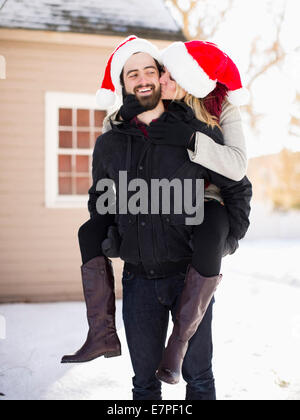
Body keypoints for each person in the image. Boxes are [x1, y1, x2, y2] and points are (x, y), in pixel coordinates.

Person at [62, 36, 252, 401]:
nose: (146, 78)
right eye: (133, 73)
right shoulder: (112, 136)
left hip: (188, 270)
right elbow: (102, 197)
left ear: (166, 79)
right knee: (143, 384)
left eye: (152, 69)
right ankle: (99, 333)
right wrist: (111, 233)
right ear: (122, 84)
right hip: (138, 279)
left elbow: (237, 182)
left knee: (199, 379)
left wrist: (232, 236)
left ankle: (179, 343)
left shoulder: (197, 125)